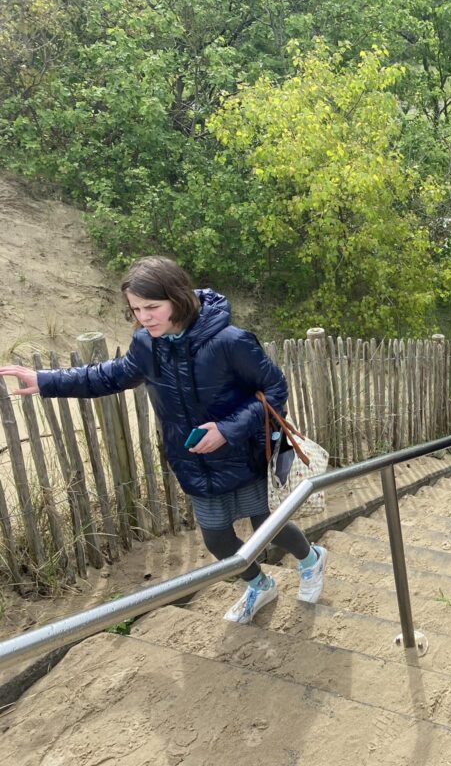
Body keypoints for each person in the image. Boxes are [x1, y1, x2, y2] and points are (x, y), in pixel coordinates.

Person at [0, 256, 326, 625]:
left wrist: (227, 429)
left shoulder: (230, 342)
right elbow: (110, 376)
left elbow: (275, 388)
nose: (144, 317)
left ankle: (311, 560)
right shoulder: (145, 344)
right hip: (192, 460)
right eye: (136, 309)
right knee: (218, 540)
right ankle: (259, 584)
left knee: (269, 526)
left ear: (179, 298)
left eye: (152, 307)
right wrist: (46, 381)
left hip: (244, 454)